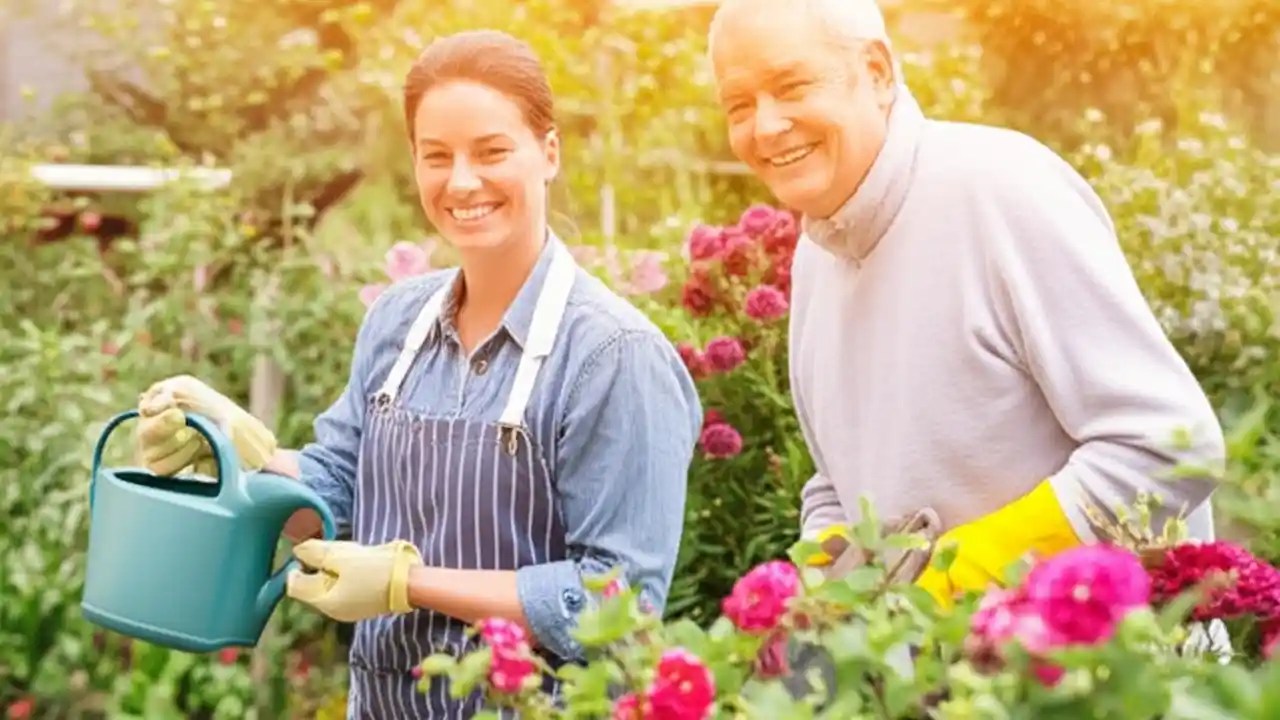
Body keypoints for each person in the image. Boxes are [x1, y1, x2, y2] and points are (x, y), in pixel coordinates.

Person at [132, 29, 702, 718]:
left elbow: (618, 602)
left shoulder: (612, 357)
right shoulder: (397, 323)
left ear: (548, 154)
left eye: (492, 152)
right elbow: (334, 497)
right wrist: (232, 454)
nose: (462, 181)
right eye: (437, 157)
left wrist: (409, 582)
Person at [706, 0, 1226, 606]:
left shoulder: (1002, 190)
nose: (765, 126)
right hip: (944, 690)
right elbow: (840, 482)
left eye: (791, 85)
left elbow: (1171, 446)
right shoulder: (819, 250)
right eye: (739, 105)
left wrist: (967, 571)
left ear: (876, 71)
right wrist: (833, 597)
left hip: (1098, 683)